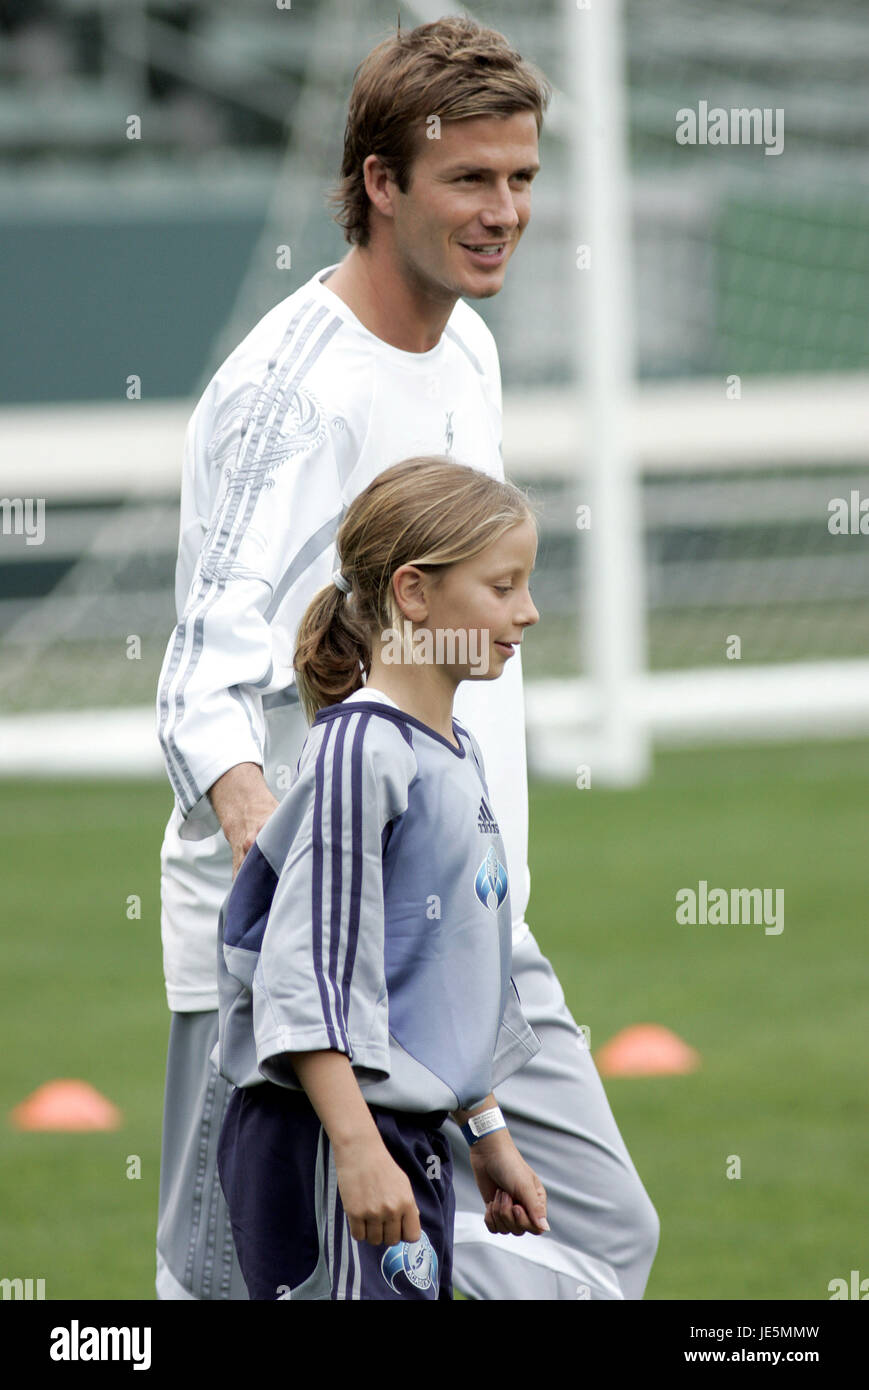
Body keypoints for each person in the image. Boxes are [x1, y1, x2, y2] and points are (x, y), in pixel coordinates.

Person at [156, 14, 659, 1302]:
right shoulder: (288, 390)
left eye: (522, 179)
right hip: (299, 950)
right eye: (469, 179)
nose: (504, 211)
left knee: (600, 1235)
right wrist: (308, 877)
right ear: (380, 183)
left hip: (475, 917)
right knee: (237, 1288)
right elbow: (197, 691)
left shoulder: (472, 351)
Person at [215, 456, 547, 1300]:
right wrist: (358, 1148)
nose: (528, 612)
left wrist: (483, 1124)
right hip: (331, 1134)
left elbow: (433, 973)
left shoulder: (453, 750)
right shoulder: (363, 751)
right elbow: (307, 977)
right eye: (502, 587)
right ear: (412, 593)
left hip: (403, 1132)